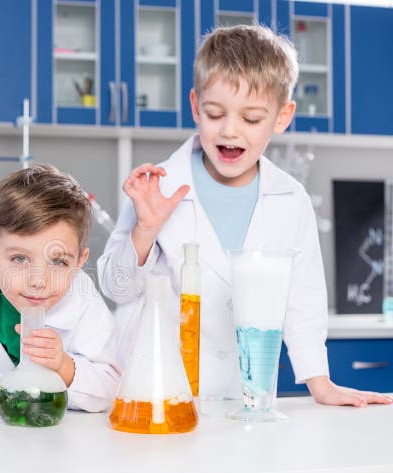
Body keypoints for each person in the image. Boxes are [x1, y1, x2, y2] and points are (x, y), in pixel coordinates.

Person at [97, 25, 391, 407]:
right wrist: (145, 230)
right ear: (194, 105)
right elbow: (116, 289)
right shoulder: (159, 189)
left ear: (282, 117)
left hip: (244, 397)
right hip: (155, 393)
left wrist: (321, 383)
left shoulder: (290, 199)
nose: (230, 131)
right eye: (214, 113)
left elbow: (303, 299)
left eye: (251, 118)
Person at [0, 164, 121, 413]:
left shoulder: (84, 303)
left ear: (79, 262)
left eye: (58, 261)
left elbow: (108, 387)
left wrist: (63, 366)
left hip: (58, 435)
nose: (38, 281)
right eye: (20, 259)